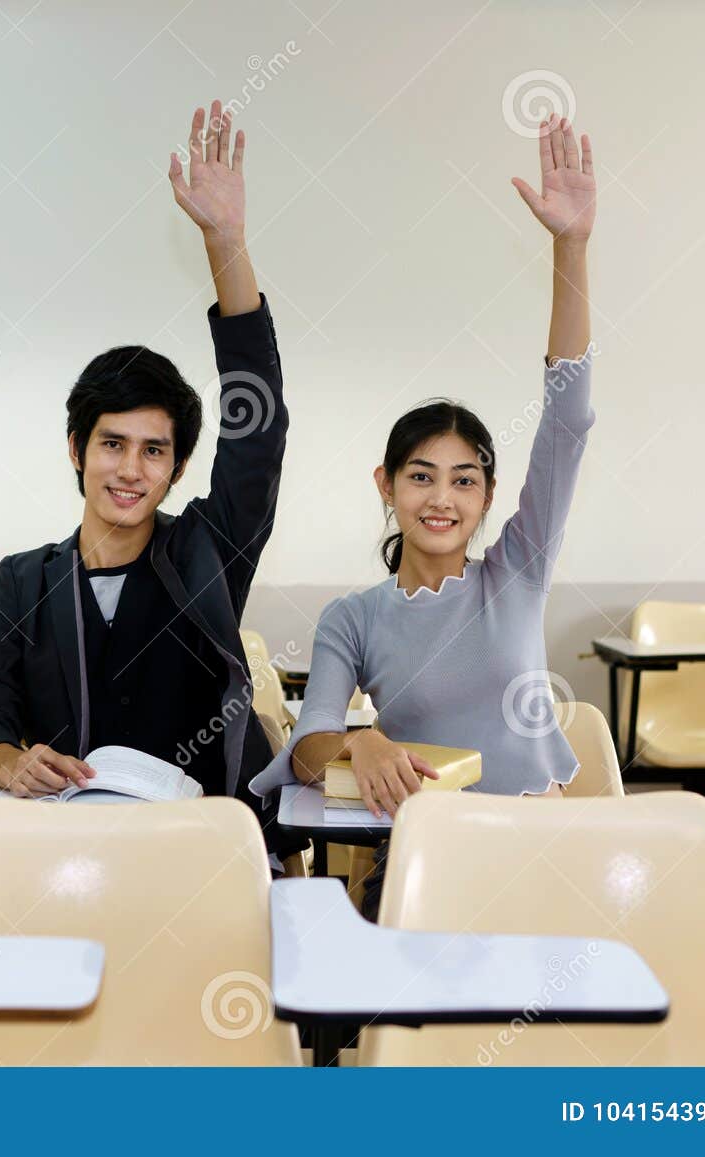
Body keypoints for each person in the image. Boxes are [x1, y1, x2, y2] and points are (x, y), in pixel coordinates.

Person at [252, 115, 598, 917]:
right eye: (420, 477)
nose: (442, 498)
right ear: (386, 484)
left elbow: (568, 426)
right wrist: (361, 738)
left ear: (486, 495)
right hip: (422, 852)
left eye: (464, 480)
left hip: (536, 851)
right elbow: (308, 748)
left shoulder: (518, 570)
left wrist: (570, 250)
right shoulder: (354, 617)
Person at [0, 101, 296, 851]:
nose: (130, 469)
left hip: (198, 847)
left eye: (154, 450)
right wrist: (10, 763)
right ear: (75, 448)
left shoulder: (207, 554)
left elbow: (258, 436)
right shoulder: (18, 583)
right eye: (113, 443)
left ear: (176, 469)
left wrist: (227, 243)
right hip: (58, 851)